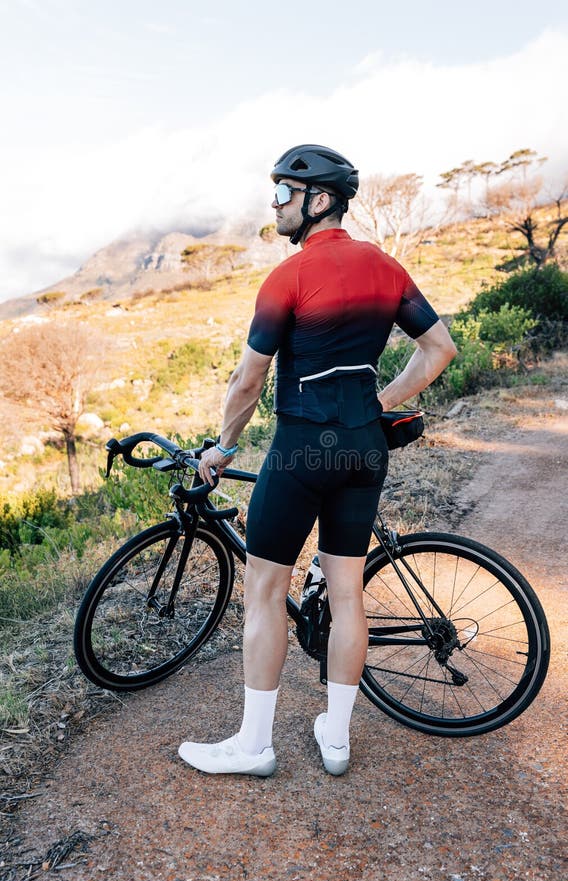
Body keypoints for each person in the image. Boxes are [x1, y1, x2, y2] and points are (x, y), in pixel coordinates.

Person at [178, 144, 457, 777]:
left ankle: (253, 747)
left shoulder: (290, 277)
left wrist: (222, 446)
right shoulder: (387, 268)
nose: (274, 203)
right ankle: (335, 739)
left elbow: (249, 381)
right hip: (364, 447)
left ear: (318, 200)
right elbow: (439, 348)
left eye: (283, 192)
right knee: (348, 594)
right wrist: (379, 400)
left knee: (265, 591)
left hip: (303, 449)